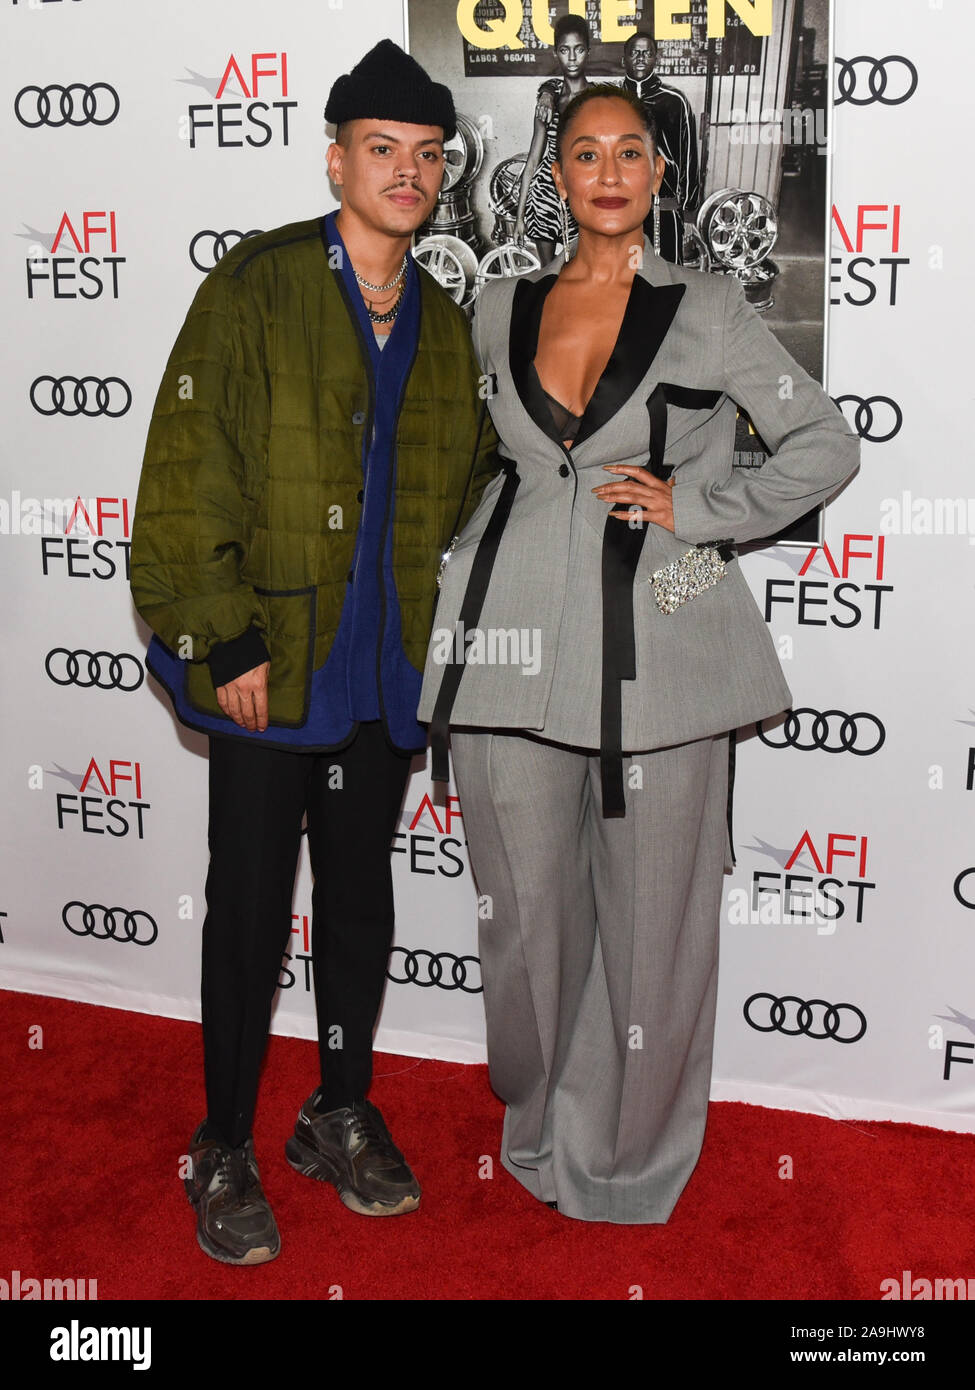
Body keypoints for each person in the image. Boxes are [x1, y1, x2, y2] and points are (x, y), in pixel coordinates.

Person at [418, 85, 859, 1225]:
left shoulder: (708, 308)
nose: (608, 170)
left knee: (654, 924)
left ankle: (626, 1162)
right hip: (508, 645)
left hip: (663, 636)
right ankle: (539, 1120)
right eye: (583, 152)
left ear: (662, 172)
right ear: (552, 173)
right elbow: (447, 457)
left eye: (631, 151)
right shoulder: (494, 305)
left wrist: (700, 507)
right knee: (522, 919)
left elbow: (822, 440)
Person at [129, 39, 499, 1265]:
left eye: (427, 157)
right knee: (245, 908)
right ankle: (222, 1140)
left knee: (357, 901)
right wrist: (219, 630)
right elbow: (187, 474)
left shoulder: (443, 325)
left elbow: (470, 488)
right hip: (267, 662)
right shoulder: (257, 284)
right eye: (383, 150)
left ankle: (335, 1108)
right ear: (336, 156)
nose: (407, 173)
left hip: (379, 674)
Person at [513, 13, 592, 265]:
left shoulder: (599, 98)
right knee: (548, 276)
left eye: (578, 49)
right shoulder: (547, 104)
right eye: (564, 50)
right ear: (555, 53)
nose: (571, 58)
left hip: (582, 193)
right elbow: (534, 159)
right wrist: (519, 216)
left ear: (588, 52)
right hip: (545, 195)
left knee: (582, 269)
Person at [620, 30, 699, 263]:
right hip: (625, 208)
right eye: (635, 53)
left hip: (664, 207)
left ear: (656, 58)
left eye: (648, 53)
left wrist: (689, 213)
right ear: (623, 59)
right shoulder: (613, 100)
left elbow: (689, 156)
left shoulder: (675, 101)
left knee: (667, 275)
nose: (641, 58)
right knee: (632, 271)